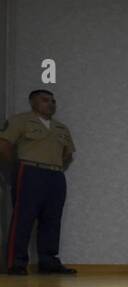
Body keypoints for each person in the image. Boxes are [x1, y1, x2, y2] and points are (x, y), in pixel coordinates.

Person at [0, 89, 77, 274]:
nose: (51, 104)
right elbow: (4, 145)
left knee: (52, 219)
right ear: (33, 103)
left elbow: (68, 153)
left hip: (55, 175)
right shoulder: (20, 120)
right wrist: (17, 167)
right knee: (23, 218)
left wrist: (55, 164)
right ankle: (16, 263)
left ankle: (48, 262)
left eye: (53, 101)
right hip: (29, 171)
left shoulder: (61, 128)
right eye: (45, 100)